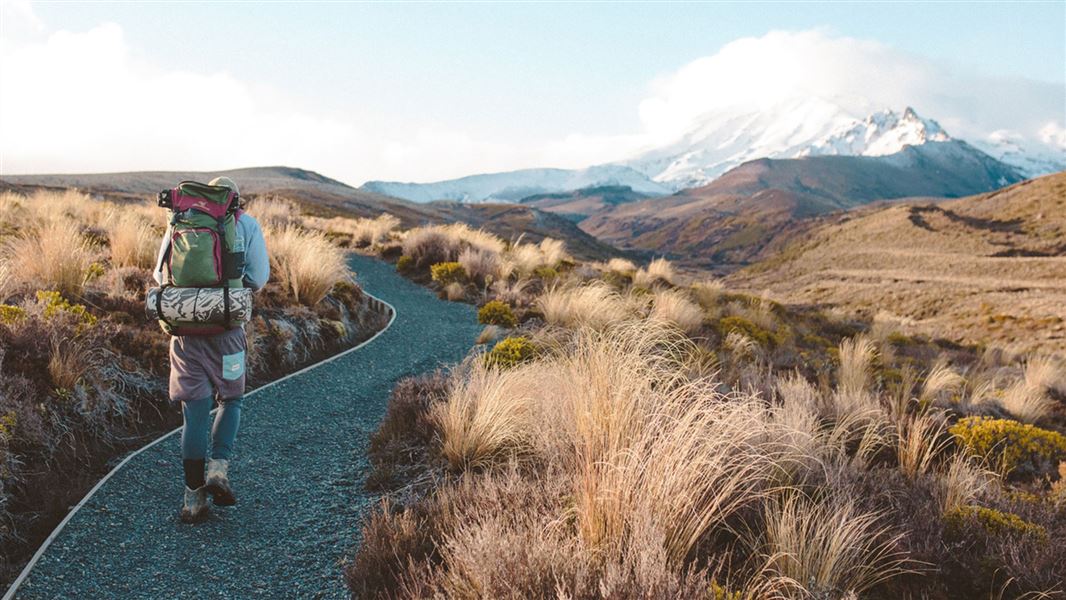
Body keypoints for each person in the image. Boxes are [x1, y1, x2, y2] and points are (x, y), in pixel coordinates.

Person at [152, 176, 269, 523]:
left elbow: (160, 275)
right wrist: (227, 289)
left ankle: (193, 499)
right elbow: (259, 278)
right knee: (231, 399)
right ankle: (218, 468)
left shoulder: (180, 220)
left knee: (195, 410)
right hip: (228, 334)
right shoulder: (246, 224)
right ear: (235, 199)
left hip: (185, 335)